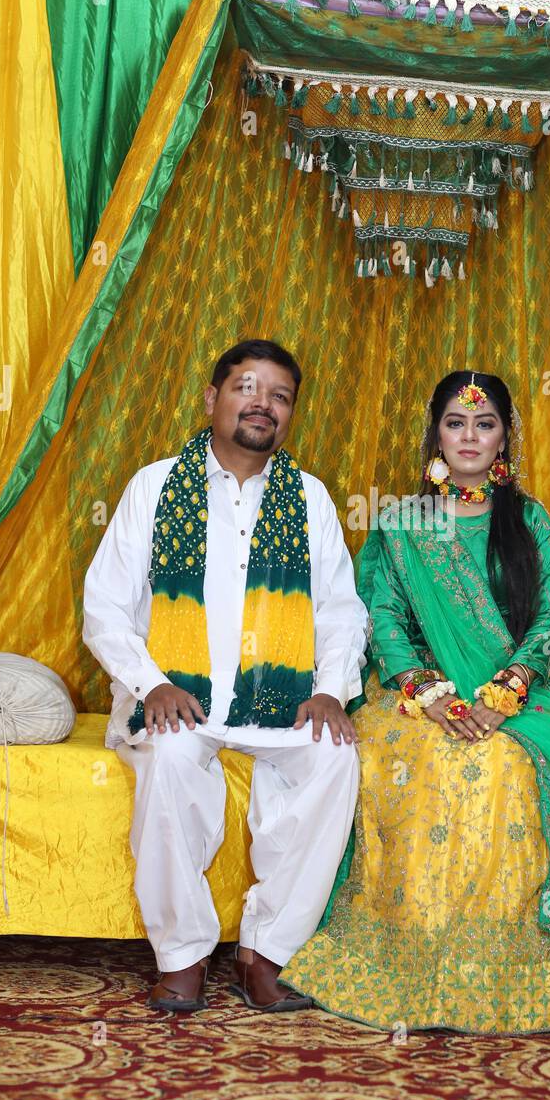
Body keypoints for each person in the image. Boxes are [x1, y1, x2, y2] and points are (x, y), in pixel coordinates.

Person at [279, 370, 550, 1034]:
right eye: (457, 423)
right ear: (436, 433)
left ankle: (505, 974)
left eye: (485, 424)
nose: (470, 436)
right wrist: (431, 696)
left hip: (521, 693)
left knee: (510, 769)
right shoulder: (402, 523)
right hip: (417, 694)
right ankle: (417, 964)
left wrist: (504, 692)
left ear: (505, 435)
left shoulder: (528, 519)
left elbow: (546, 621)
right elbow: (384, 620)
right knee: (431, 768)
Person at [82, 339, 368, 1014]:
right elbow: (104, 608)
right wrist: (149, 682)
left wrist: (331, 688)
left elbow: (341, 613)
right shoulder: (154, 487)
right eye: (246, 386)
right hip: (177, 693)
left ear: (290, 413)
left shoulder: (310, 498)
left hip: (278, 698)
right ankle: (181, 958)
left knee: (334, 759)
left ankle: (264, 953)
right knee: (174, 754)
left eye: (279, 394)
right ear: (213, 399)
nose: (261, 403)